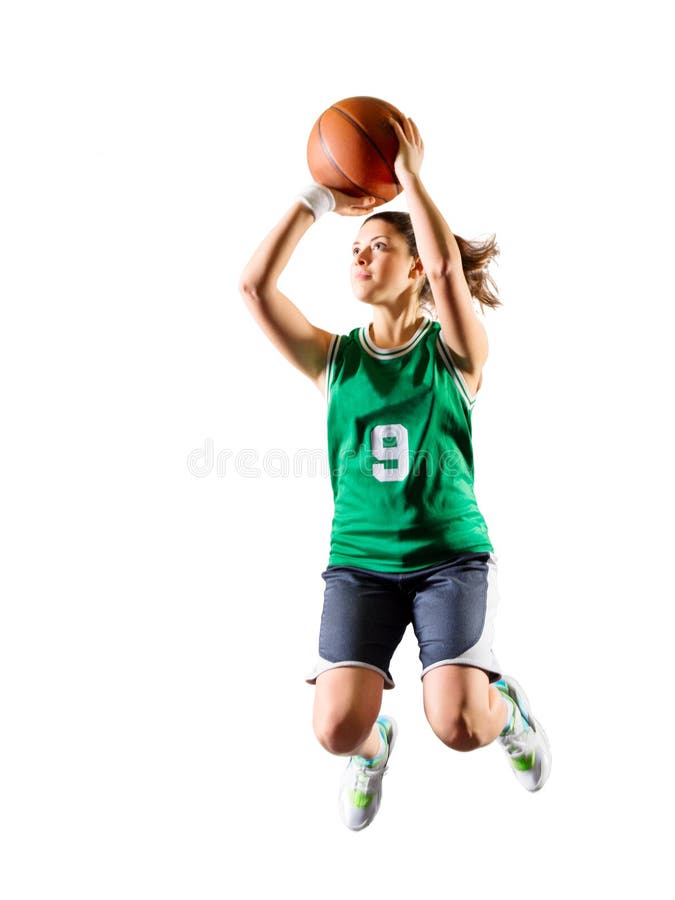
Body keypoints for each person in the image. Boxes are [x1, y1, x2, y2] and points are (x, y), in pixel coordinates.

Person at [239, 116, 551, 831]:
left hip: (448, 562)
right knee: (334, 731)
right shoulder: (335, 359)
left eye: (378, 246)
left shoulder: (454, 352)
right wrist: (320, 195)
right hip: (359, 565)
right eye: (354, 248)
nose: (360, 255)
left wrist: (406, 174)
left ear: (413, 271)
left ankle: (510, 715)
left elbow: (448, 272)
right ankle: (374, 747)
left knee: (459, 726)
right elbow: (254, 287)